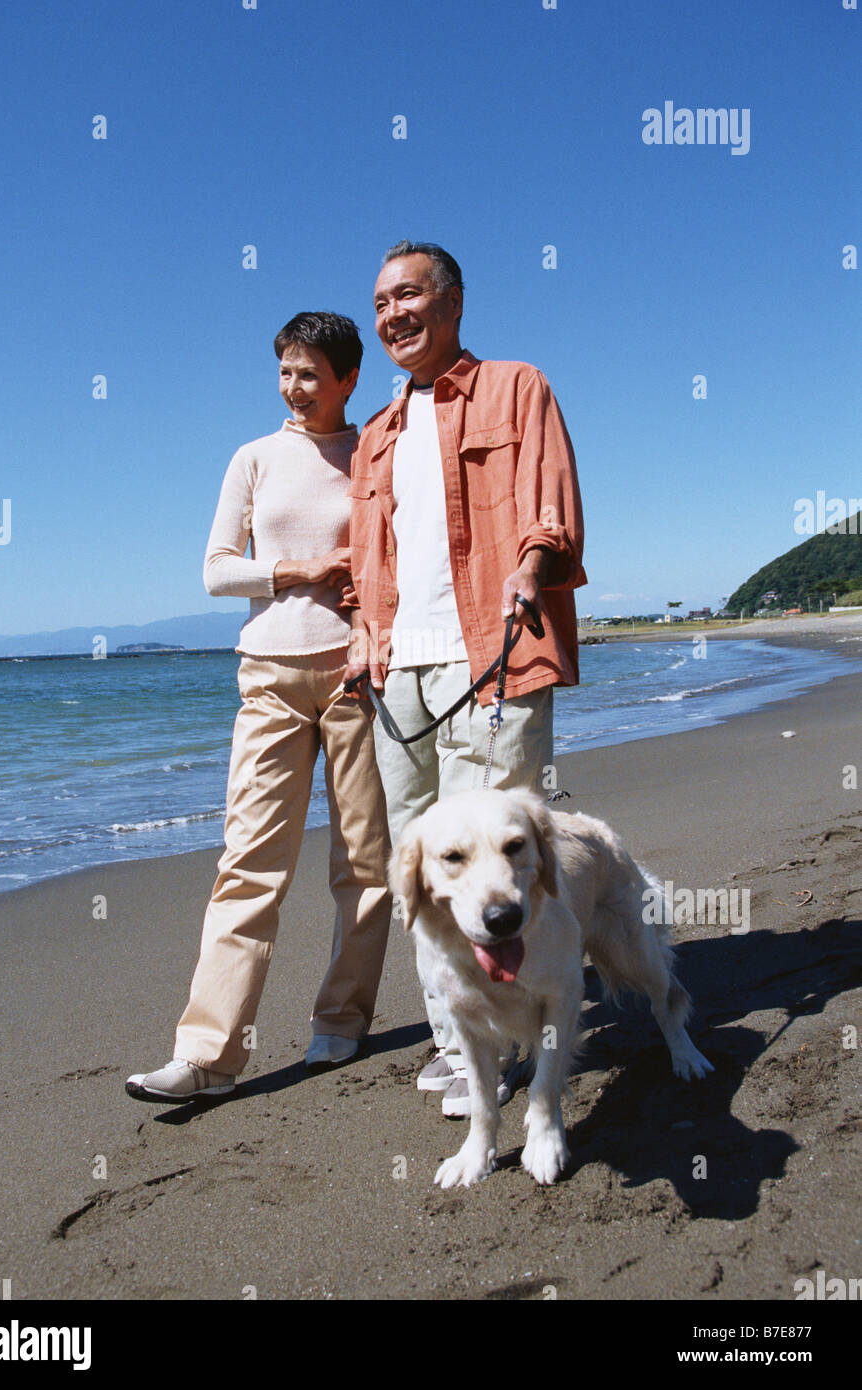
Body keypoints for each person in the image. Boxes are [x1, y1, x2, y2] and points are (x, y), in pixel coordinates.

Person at [344, 241, 586, 1117]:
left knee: (504, 860)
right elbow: (367, 563)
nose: (390, 314)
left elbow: (549, 498)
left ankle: (533, 1026)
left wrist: (533, 563)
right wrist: (364, 633)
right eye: (378, 303)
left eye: (407, 294)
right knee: (425, 869)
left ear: (451, 301)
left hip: (496, 655)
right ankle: (461, 1043)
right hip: (399, 680)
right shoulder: (377, 432)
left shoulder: (517, 386)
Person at [127, 312, 393, 1102]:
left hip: (356, 675)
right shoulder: (253, 457)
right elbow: (215, 571)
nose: (293, 386)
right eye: (285, 371)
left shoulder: (375, 452)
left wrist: (370, 600)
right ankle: (207, 1056)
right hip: (269, 674)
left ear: (348, 379)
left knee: (365, 864)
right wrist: (303, 567)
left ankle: (341, 1023)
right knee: (248, 864)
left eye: (310, 373)